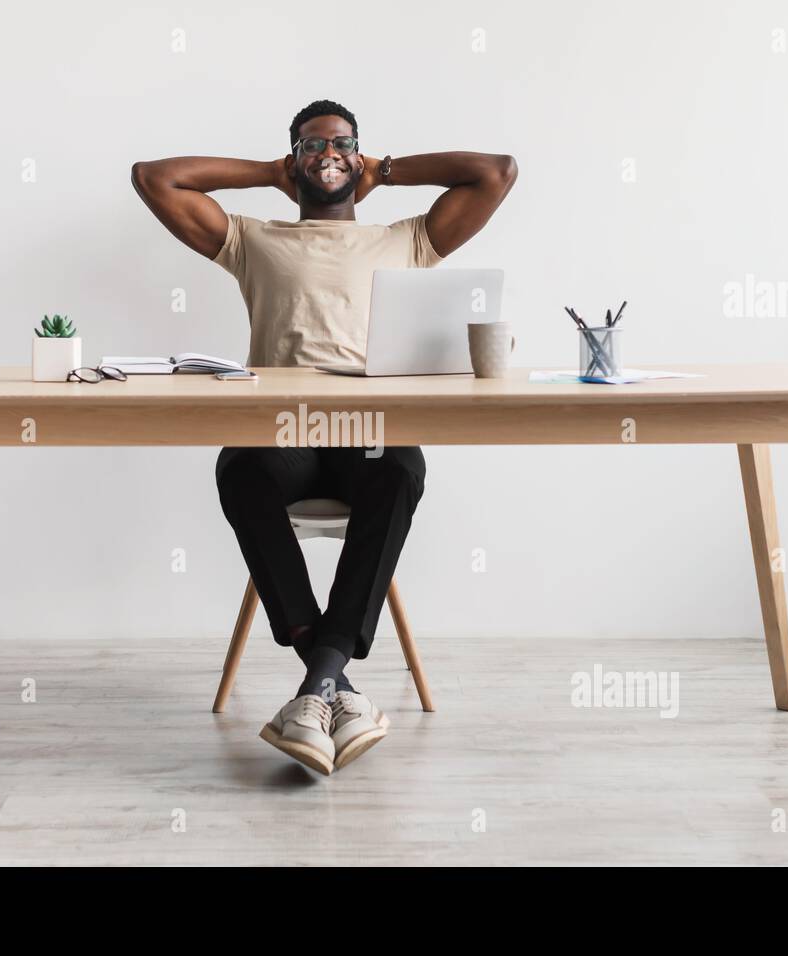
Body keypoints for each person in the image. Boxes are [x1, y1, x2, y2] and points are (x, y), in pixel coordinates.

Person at [131, 99, 517, 775]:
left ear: (360, 153)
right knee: (238, 471)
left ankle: (316, 689)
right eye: (312, 146)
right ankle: (332, 678)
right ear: (294, 158)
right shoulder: (252, 238)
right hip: (286, 431)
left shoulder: (409, 238)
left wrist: (386, 172)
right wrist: (271, 172)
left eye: (341, 144)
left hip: (370, 431)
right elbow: (153, 177)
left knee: (400, 471)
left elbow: (496, 172)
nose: (327, 154)